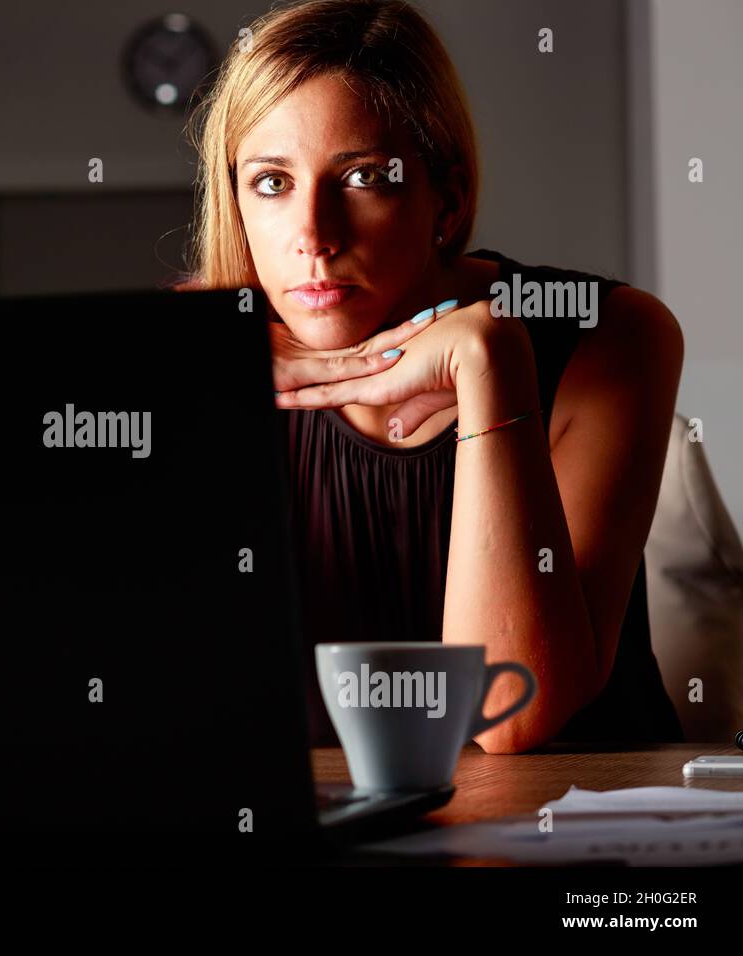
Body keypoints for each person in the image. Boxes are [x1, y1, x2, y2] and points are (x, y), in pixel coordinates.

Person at [173, 0, 684, 752]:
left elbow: (510, 718)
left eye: (361, 178)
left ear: (446, 199)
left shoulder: (607, 335)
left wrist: (489, 367)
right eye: (272, 183)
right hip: (329, 826)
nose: (313, 237)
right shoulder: (196, 348)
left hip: (579, 822)